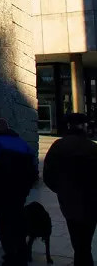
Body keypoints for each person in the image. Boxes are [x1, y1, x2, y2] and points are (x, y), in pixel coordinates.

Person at [44, 113, 97, 266]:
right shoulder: (92, 147)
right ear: (84, 127)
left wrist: (61, 189)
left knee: (77, 239)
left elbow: (48, 175)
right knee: (85, 241)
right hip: (92, 202)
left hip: (69, 201)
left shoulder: (58, 146)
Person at [0, 118, 36, 266]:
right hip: (20, 190)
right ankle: (22, 250)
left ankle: (10, 253)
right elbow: (33, 162)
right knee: (17, 219)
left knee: (3, 221)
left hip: (2, 190)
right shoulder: (20, 142)